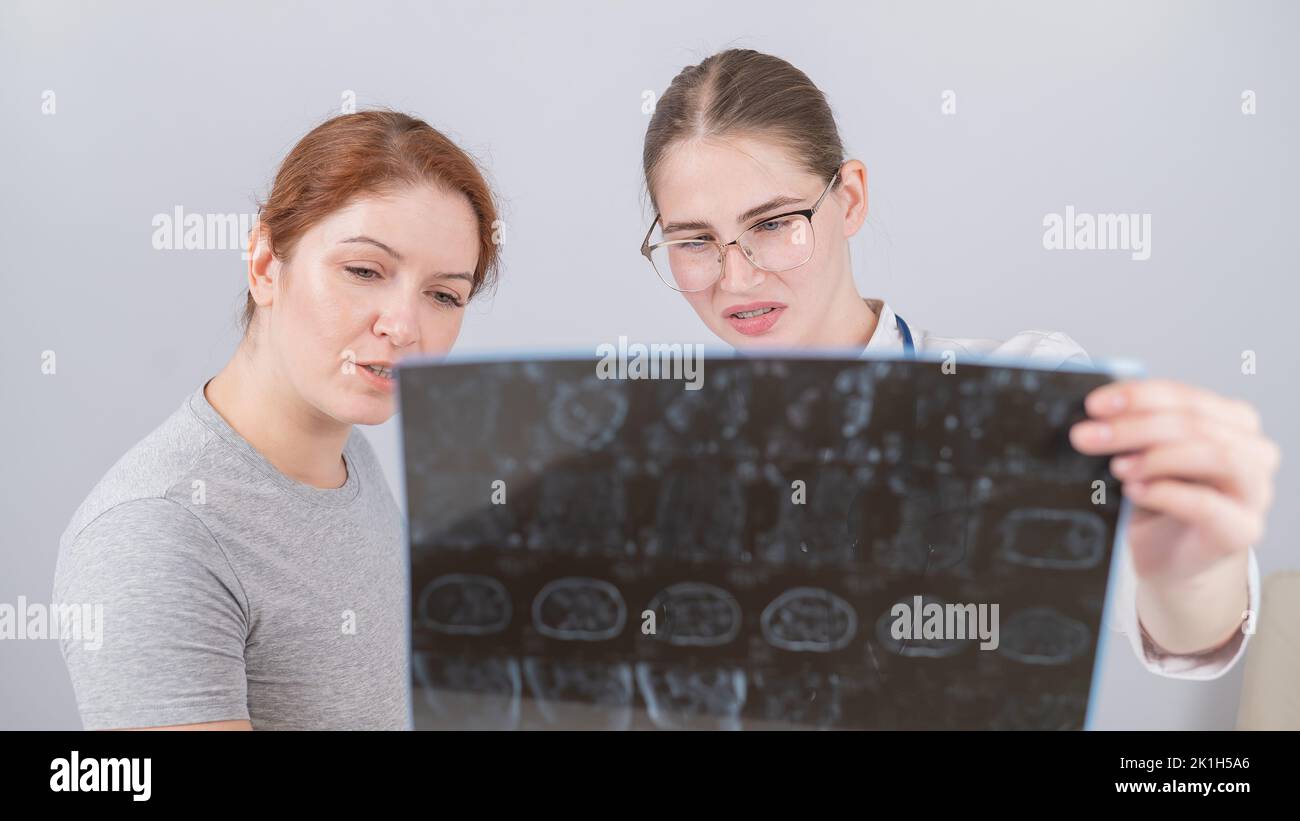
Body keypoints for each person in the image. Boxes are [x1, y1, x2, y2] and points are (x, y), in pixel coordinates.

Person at [638, 48, 1279, 679]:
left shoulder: (1027, 389)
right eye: (694, 241)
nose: (737, 277)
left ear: (851, 199)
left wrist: (1194, 578)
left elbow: (1184, 630)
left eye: (774, 223)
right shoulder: (639, 459)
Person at [53, 110, 501, 729]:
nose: (404, 327)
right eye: (364, 271)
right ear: (266, 264)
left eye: (444, 295)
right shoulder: (155, 534)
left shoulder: (344, 457)